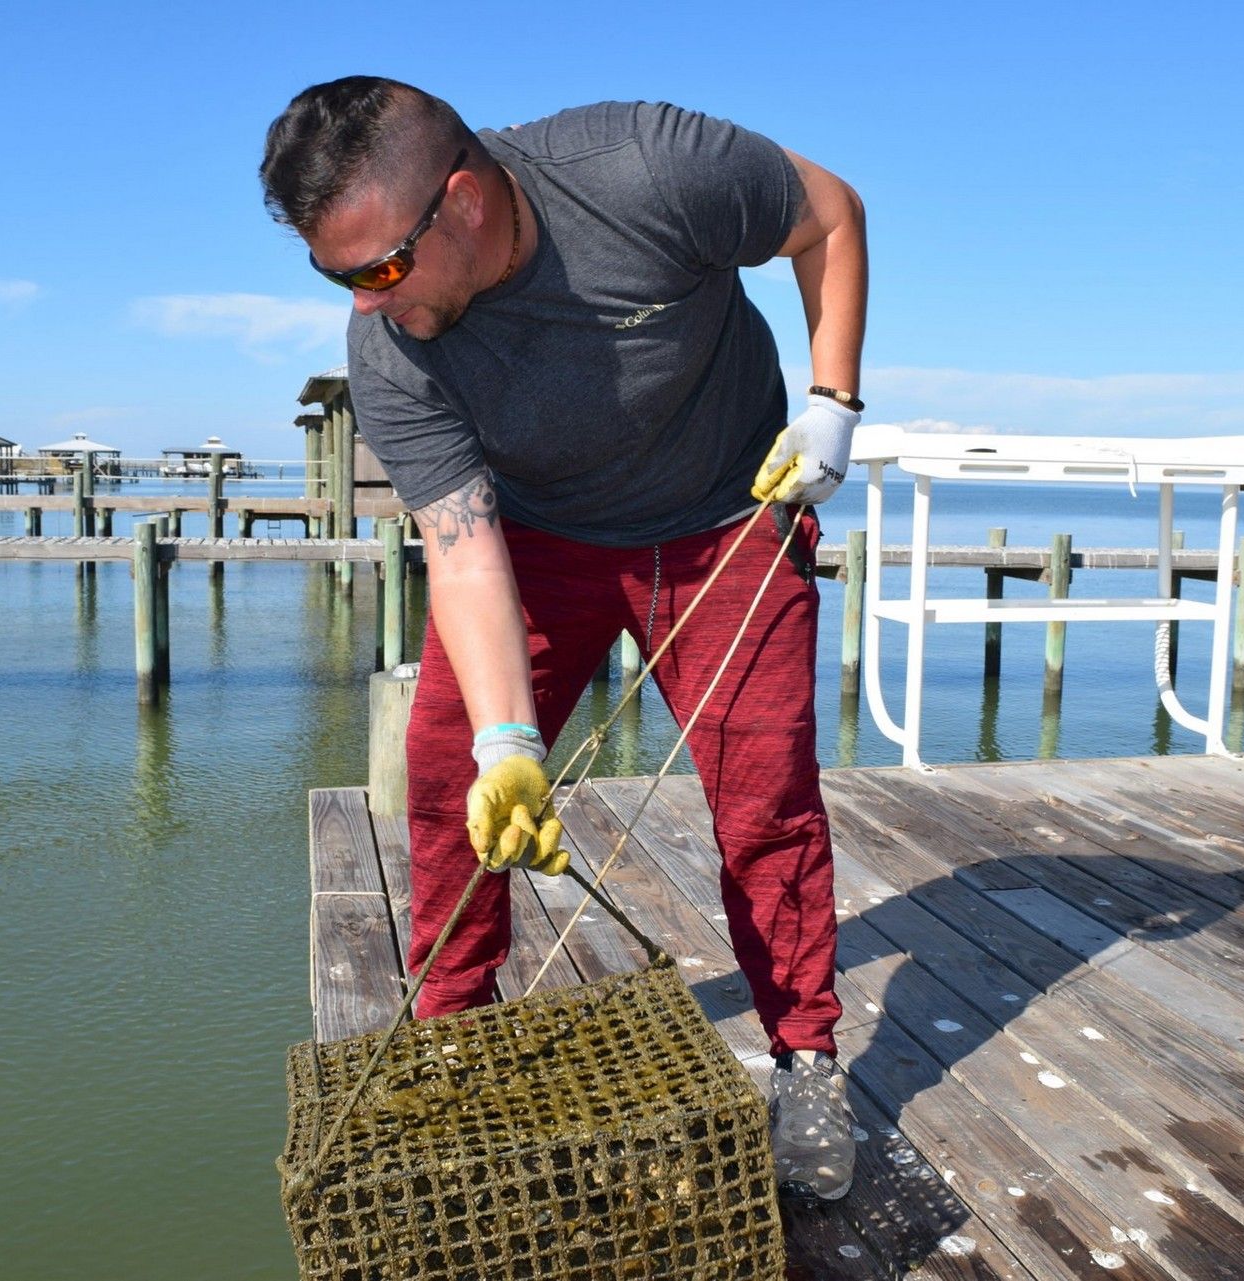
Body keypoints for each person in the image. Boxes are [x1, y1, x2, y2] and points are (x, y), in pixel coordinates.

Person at [260, 77, 868, 1202]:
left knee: (766, 802)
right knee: (451, 769)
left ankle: (804, 1060)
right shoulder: (391, 353)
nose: (365, 303)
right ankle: (452, 1035)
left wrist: (834, 401)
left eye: (381, 267)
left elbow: (827, 214)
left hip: (727, 519)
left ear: (465, 204)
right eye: (335, 277)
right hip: (539, 536)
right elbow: (461, 551)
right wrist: (506, 740)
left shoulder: (646, 166)